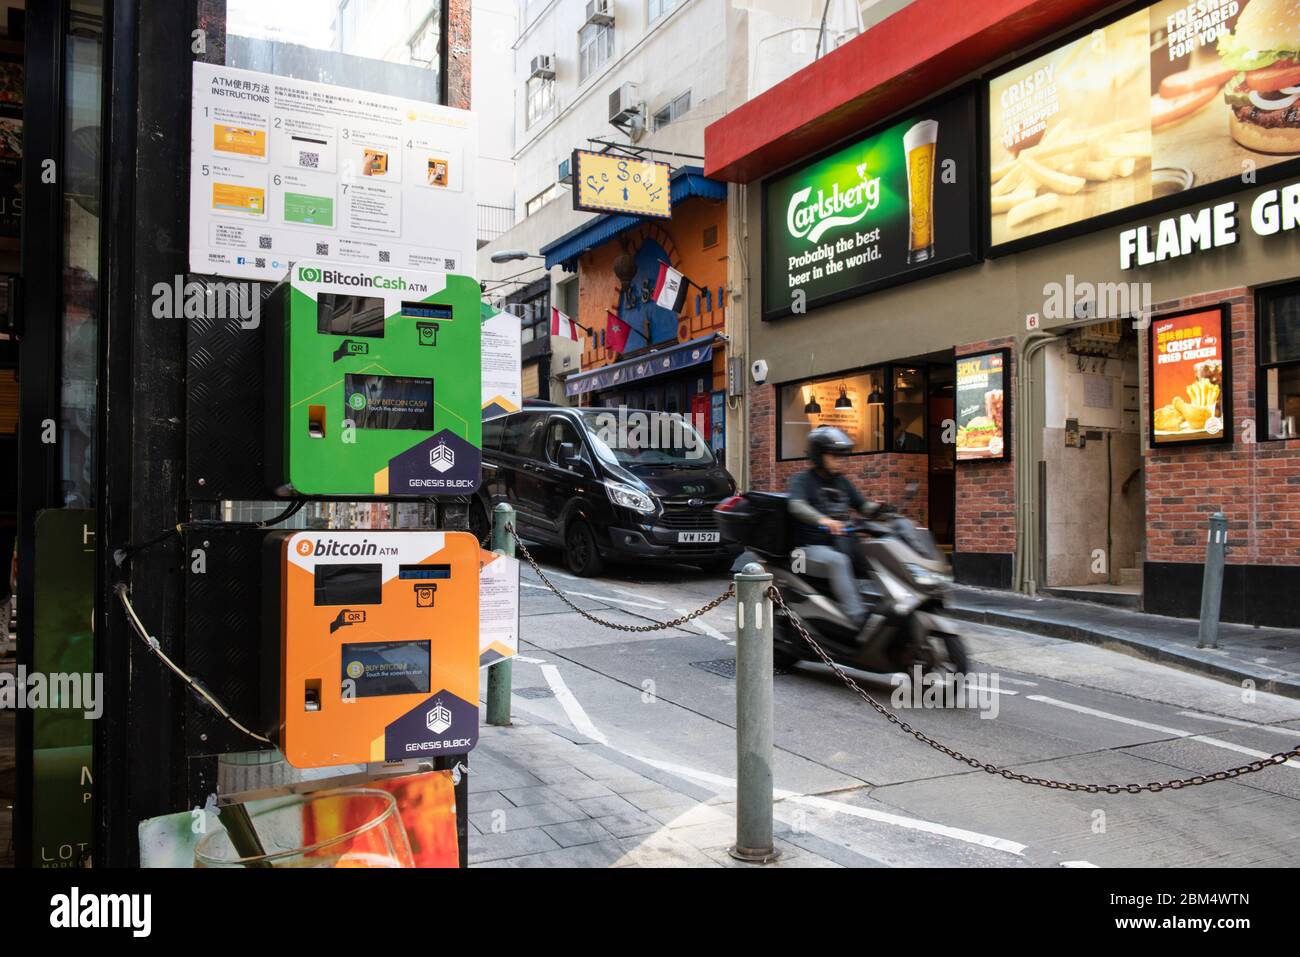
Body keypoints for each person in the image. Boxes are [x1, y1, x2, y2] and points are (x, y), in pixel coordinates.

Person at [787, 427, 879, 634]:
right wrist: (824, 520)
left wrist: (882, 511)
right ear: (818, 456)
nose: (840, 460)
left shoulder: (842, 482)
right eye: (834, 455)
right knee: (840, 562)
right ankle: (857, 618)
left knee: (875, 554)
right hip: (807, 549)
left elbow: (862, 506)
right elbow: (796, 505)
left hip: (841, 544)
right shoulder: (803, 481)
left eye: (842, 456)